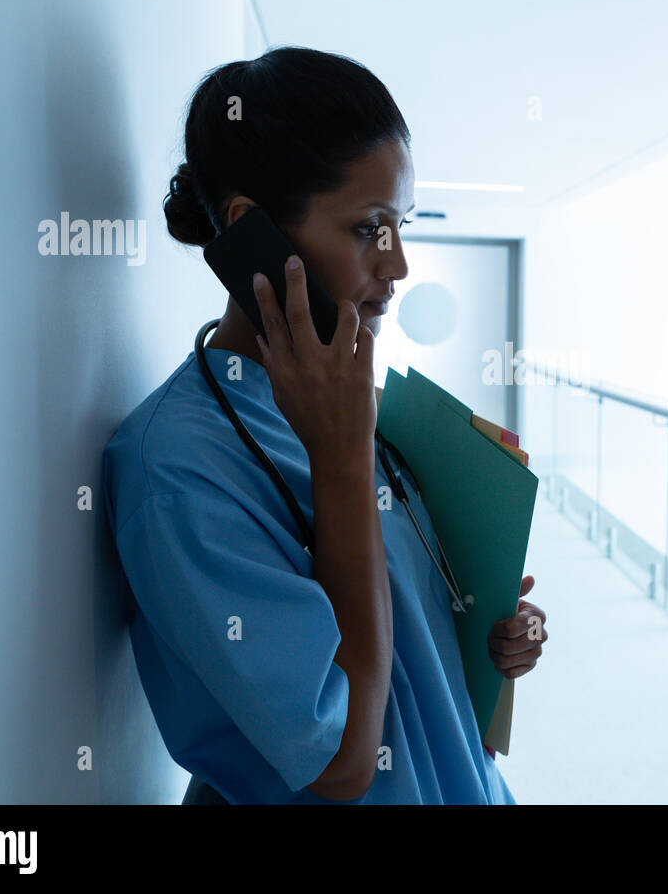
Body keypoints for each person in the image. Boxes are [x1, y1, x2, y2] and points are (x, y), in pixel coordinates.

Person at [101, 47, 547, 804]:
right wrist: (341, 464)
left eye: (400, 226)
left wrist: (484, 637)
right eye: (369, 228)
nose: (397, 265)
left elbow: (402, 625)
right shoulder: (176, 467)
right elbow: (339, 764)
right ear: (252, 231)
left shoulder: (356, 402)